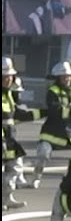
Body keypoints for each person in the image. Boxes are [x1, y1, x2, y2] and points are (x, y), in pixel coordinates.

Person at [31, 61, 71, 188]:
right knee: (43, 152)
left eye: (68, 76)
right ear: (58, 78)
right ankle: (36, 177)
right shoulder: (52, 91)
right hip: (53, 131)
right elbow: (54, 110)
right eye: (63, 76)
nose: (67, 78)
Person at [3, 57, 43, 209]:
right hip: (3, 140)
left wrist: (47, 112)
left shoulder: (7, 95)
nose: (9, 79)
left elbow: (20, 115)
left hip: (9, 140)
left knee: (14, 169)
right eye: (5, 76)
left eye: (10, 76)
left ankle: (7, 198)